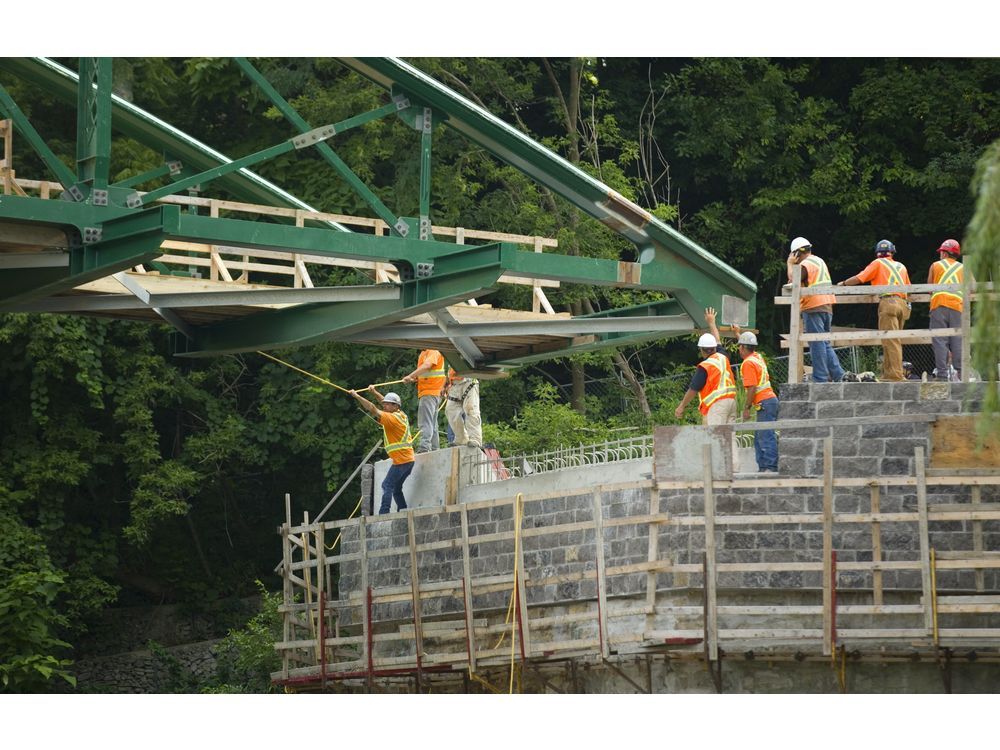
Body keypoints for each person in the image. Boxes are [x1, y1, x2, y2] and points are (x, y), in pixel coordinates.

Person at [838, 239, 912, 382]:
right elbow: (908, 287)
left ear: (878, 253)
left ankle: (896, 375)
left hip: (888, 302)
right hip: (903, 304)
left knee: (891, 341)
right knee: (892, 341)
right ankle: (888, 374)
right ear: (892, 252)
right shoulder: (901, 266)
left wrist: (844, 283)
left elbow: (860, 278)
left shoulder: (878, 263)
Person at [787, 236, 845, 383]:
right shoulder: (819, 261)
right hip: (827, 305)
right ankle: (838, 375)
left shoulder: (805, 264)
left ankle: (820, 378)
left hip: (813, 306)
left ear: (796, 253)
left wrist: (789, 264)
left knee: (816, 343)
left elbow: (794, 279)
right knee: (824, 342)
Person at [348, 387, 414, 514]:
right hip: (408, 460)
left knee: (386, 485)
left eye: (387, 405)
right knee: (396, 488)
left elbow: (373, 408)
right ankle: (404, 510)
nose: (384, 406)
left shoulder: (392, 419)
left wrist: (357, 396)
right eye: (384, 404)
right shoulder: (401, 414)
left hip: (401, 460)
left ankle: (384, 513)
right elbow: (385, 401)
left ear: (395, 406)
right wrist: (374, 392)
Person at [674, 307, 737, 425]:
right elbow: (717, 339)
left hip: (717, 406)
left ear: (701, 350)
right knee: (728, 439)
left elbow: (693, 389)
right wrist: (711, 322)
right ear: (714, 348)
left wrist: (681, 406)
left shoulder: (705, 366)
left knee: (714, 438)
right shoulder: (723, 356)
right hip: (731, 402)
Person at [733, 329, 779, 472]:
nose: (738, 350)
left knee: (766, 436)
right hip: (769, 401)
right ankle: (764, 467)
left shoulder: (747, 363)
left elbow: (752, 387)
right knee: (760, 437)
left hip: (764, 402)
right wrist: (738, 334)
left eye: (739, 346)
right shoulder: (757, 357)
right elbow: (748, 344)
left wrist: (746, 408)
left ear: (743, 347)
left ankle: (770, 468)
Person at [927, 238, 964, 381]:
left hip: (939, 305)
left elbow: (929, 287)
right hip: (957, 306)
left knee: (940, 340)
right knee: (958, 339)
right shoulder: (963, 267)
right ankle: (961, 373)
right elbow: (972, 286)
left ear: (944, 253)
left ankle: (942, 375)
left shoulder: (935, 265)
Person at [403, 349, 446, 453]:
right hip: (431, 392)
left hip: (429, 392)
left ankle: (424, 447)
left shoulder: (432, 351)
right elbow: (427, 373)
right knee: (432, 422)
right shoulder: (424, 353)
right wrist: (415, 378)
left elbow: (427, 366)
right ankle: (435, 449)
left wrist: (411, 375)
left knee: (425, 422)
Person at [443, 367, 482, 449]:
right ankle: (461, 439)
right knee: (450, 410)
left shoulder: (466, 353)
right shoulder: (453, 355)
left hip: (469, 381)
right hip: (455, 384)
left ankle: (475, 439)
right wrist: (445, 384)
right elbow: (451, 369)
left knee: (471, 410)